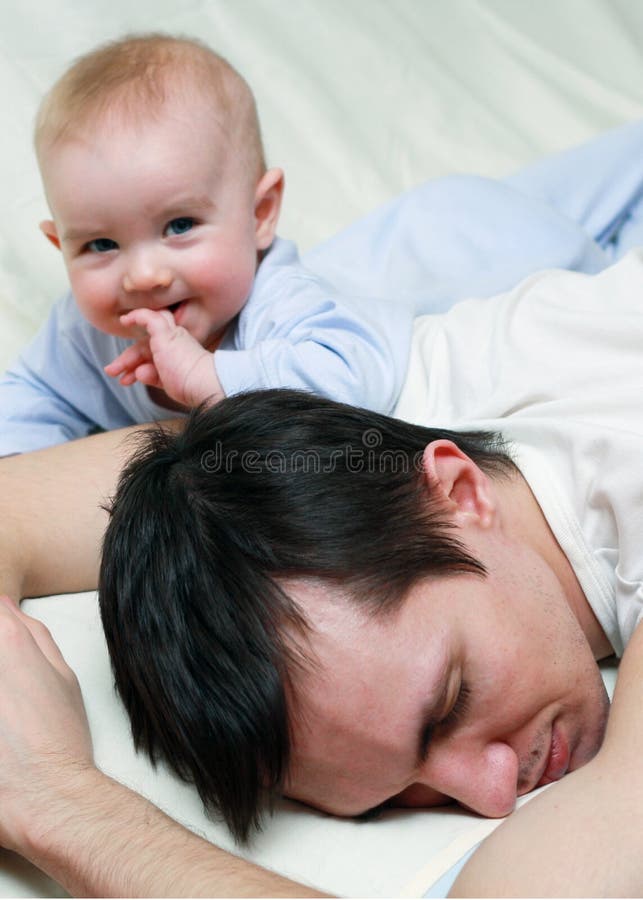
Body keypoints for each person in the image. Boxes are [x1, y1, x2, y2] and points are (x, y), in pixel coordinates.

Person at [1, 247, 643, 896]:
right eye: (399, 798)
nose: (495, 789)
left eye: (451, 701)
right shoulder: (381, 412)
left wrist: (57, 800)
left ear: (459, 494)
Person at [0, 32, 414, 456]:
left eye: (179, 225)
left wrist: (209, 376)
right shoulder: (81, 332)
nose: (143, 276)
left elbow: (357, 383)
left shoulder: (278, 301)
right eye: (101, 244)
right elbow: (28, 397)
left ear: (260, 213)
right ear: (60, 246)